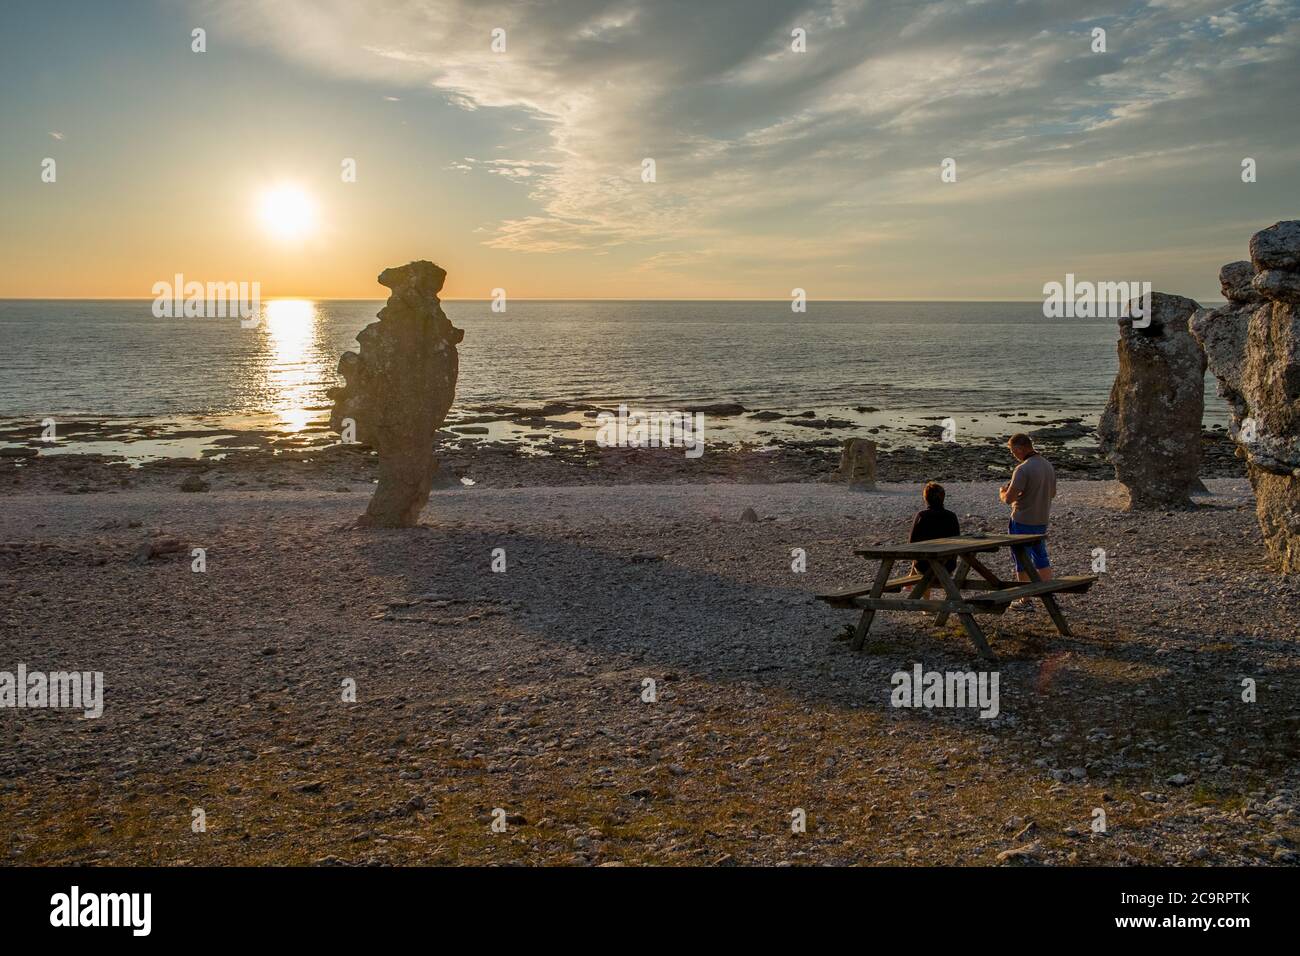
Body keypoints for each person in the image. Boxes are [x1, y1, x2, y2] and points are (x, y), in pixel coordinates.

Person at [999, 434, 1056, 605]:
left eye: (1012, 451)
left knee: (1021, 558)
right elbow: (1052, 493)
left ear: (1019, 448)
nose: (1013, 455)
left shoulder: (1023, 469)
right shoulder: (1047, 465)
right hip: (1041, 518)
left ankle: (1025, 600)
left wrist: (1002, 492)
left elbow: (1009, 498)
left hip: (1023, 518)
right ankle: (1048, 594)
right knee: (1040, 556)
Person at [909, 481, 961, 599]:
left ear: (925, 498)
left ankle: (927, 602)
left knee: (923, 561)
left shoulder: (922, 516)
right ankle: (950, 598)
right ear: (943, 498)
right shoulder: (951, 516)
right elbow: (957, 540)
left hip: (924, 565)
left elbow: (911, 542)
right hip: (948, 565)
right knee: (932, 562)